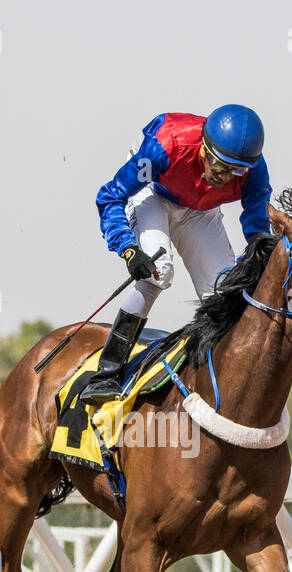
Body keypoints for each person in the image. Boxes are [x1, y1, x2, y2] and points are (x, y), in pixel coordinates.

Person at [81, 104, 272, 402]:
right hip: (153, 192)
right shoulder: (167, 147)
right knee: (159, 271)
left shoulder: (254, 172)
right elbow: (110, 196)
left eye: (236, 171)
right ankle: (108, 372)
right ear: (204, 152)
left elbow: (258, 228)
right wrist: (128, 248)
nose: (225, 177)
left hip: (201, 211)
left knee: (224, 294)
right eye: (220, 167)